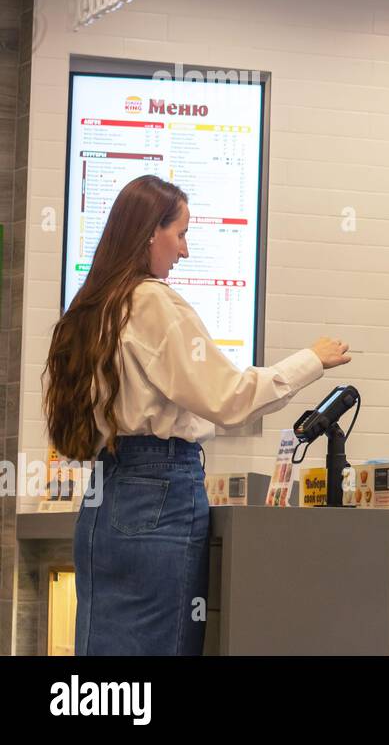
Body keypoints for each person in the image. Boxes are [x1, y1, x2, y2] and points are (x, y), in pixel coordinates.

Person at [42, 175, 351, 655]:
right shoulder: (152, 302)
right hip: (160, 496)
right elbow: (229, 398)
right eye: (181, 234)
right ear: (150, 232)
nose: (184, 252)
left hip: (104, 500)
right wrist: (311, 360)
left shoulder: (92, 307)